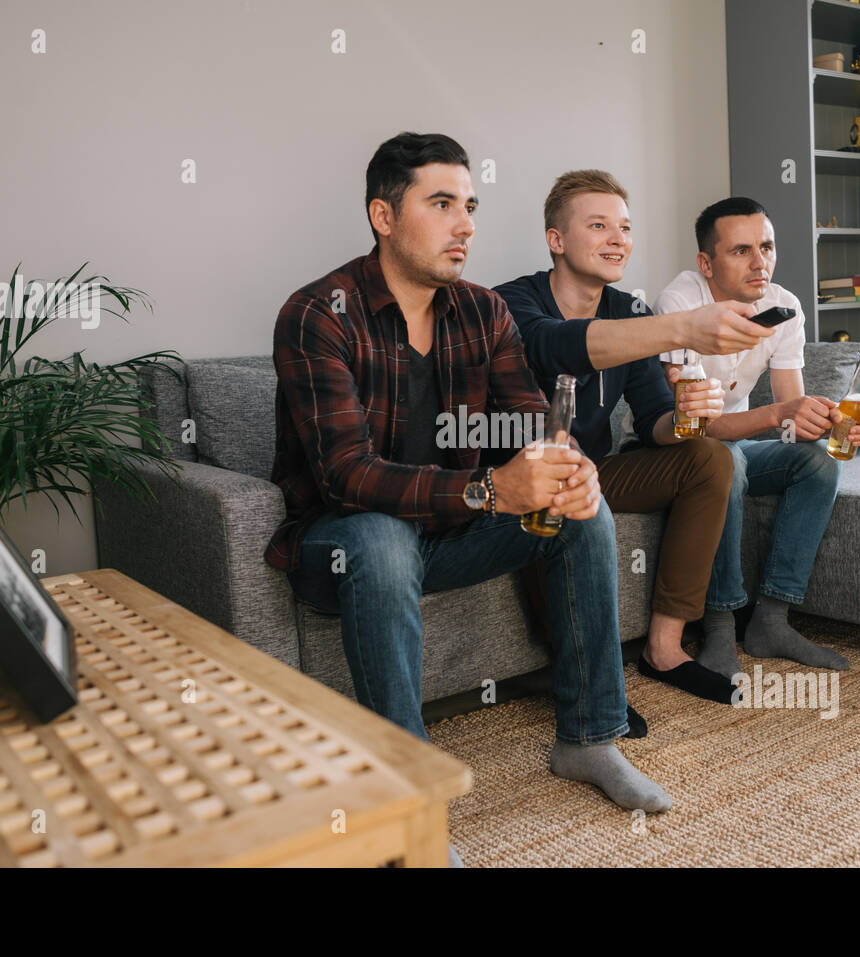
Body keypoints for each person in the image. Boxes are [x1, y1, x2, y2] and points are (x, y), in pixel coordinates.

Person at [264, 134, 674, 836]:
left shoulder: (484, 312)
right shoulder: (317, 316)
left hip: (448, 535)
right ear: (383, 216)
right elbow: (346, 474)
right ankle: (411, 799)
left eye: (471, 206)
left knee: (586, 513)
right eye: (443, 203)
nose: (466, 225)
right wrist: (488, 492)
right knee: (381, 537)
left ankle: (588, 737)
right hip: (338, 547)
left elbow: (525, 429)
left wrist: (562, 469)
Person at [495, 170, 775, 704]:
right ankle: (577, 671)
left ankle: (665, 649)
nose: (618, 238)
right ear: (556, 240)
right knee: (563, 482)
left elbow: (654, 424)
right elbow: (555, 347)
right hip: (526, 478)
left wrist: (689, 415)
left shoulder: (630, 310)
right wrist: (683, 328)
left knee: (708, 457)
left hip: (597, 470)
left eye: (624, 227)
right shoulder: (509, 304)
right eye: (598, 225)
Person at [654, 197, 860, 679]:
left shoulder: (785, 306)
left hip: (739, 443)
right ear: (705, 262)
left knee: (818, 462)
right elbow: (699, 427)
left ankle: (772, 621)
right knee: (723, 462)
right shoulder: (681, 304)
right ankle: (719, 627)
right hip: (678, 448)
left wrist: (835, 422)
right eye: (741, 251)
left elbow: (790, 422)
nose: (761, 262)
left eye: (767, 247)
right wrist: (780, 413)